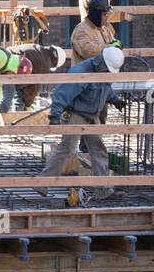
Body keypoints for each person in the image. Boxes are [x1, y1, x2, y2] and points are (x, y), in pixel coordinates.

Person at [39, 46, 125, 187]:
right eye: (107, 70)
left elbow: (105, 88)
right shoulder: (81, 72)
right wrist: (55, 115)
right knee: (67, 147)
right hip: (75, 113)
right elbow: (61, 94)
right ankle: (42, 183)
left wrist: (114, 99)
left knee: (99, 149)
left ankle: (104, 190)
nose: (108, 73)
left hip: (92, 115)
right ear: (102, 63)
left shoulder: (103, 71)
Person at [1, 45, 66, 113]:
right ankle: (16, 121)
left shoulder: (38, 48)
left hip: (5, 58)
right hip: (11, 71)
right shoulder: (45, 64)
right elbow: (34, 87)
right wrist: (28, 105)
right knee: (14, 102)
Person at [71, 0, 118, 64]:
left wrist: (116, 44)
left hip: (103, 72)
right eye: (104, 14)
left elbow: (112, 44)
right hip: (85, 73)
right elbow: (88, 52)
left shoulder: (104, 28)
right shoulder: (82, 30)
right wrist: (111, 48)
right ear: (95, 14)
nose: (107, 17)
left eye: (107, 14)